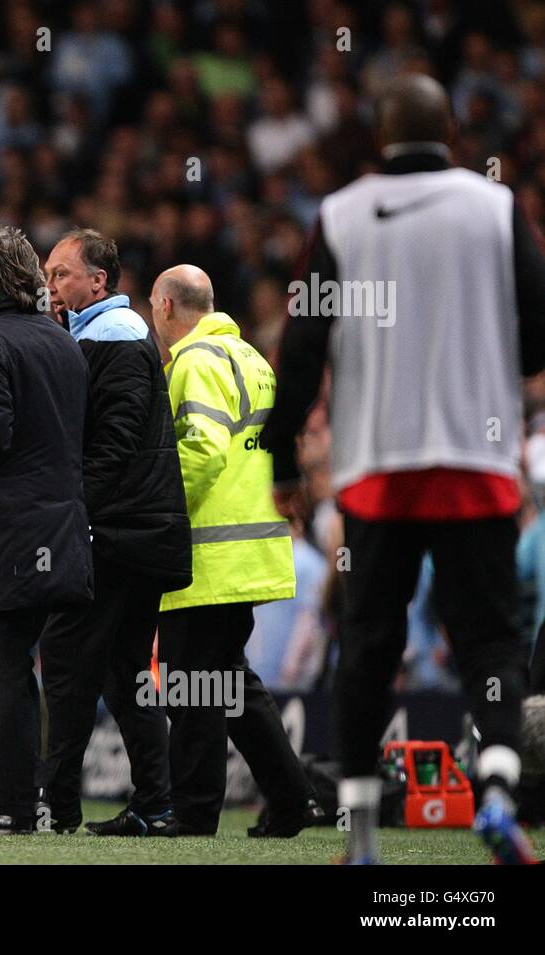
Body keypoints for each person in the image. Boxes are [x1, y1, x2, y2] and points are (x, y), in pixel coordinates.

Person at [262, 74, 545, 864]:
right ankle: (494, 789)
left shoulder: (343, 213)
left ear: (379, 136)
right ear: (451, 130)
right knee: (490, 642)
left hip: (377, 468)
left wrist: (282, 460)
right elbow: (542, 318)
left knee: (370, 643)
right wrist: (505, 370)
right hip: (476, 461)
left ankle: (358, 836)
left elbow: (304, 348)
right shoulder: (495, 206)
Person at [149, 264, 322, 839]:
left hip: (208, 557)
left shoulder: (195, 363)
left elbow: (200, 451)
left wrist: (160, 512)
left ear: (169, 307)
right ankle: (292, 799)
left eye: (154, 306)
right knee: (227, 682)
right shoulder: (250, 359)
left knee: (190, 683)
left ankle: (196, 812)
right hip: (250, 551)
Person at [38, 229, 192, 836]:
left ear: (98, 282)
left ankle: (58, 806)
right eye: (48, 274)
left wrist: (71, 512)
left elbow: (114, 445)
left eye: (61, 274)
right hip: (133, 533)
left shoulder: (119, 339)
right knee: (123, 675)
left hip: (118, 536)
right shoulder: (98, 337)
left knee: (70, 665)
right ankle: (156, 803)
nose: (51, 284)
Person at [0, 223, 93, 834]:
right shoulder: (61, 340)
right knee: (28, 671)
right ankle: (35, 800)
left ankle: (12, 805)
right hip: (62, 527)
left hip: (6, 529)